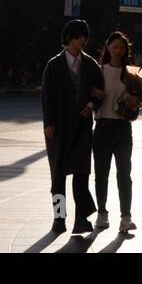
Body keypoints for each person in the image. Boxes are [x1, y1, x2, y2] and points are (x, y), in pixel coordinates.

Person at [41, 18, 104, 235]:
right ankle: (59, 219)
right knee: (58, 178)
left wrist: (91, 104)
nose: (83, 41)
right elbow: (46, 97)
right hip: (58, 129)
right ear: (69, 38)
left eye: (85, 37)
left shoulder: (90, 64)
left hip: (82, 128)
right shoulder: (54, 65)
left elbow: (99, 92)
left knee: (81, 175)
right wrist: (48, 123)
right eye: (79, 36)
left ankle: (81, 218)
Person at [93, 31, 139, 233]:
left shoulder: (131, 73)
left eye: (121, 47)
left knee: (124, 174)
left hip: (122, 128)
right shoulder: (98, 71)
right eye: (114, 46)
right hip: (102, 126)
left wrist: (136, 101)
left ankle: (126, 217)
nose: (118, 50)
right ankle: (102, 215)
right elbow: (87, 93)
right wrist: (93, 94)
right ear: (108, 48)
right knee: (101, 174)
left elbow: (140, 99)